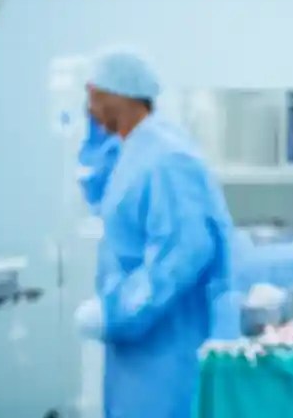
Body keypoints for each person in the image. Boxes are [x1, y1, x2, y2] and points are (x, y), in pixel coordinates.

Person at [73, 49, 239, 418]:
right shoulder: (134, 151)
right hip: (142, 349)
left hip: (166, 346)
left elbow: (187, 248)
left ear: (118, 95)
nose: (90, 108)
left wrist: (121, 310)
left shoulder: (166, 157)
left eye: (94, 96)